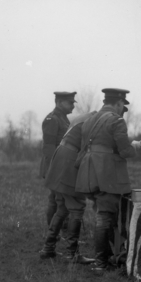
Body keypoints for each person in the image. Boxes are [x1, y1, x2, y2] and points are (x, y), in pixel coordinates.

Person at [75, 88, 137, 272]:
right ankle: (102, 263)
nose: (121, 110)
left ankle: (110, 256)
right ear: (118, 103)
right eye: (122, 106)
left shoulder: (89, 120)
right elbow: (125, 150)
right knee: (104, 217)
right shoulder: (116, 120)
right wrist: (135, 147)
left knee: (103, 213)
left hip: (89, 173)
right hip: (107, 174)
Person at [40, 112, 99, 263]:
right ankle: (72, 253)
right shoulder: (98, 120)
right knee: (77, 207)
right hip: (69, 159)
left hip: (61, 157)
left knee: (62, 208)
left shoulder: (89, 116)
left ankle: (48, 248)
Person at [41, 91, 76, 226]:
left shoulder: (63, 118)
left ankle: (59, 230)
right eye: (70, 103)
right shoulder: (52, 119)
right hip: (55, 165)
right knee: (55, 199)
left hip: (61, 165)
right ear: (59, 102)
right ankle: (53, 230)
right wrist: (52, 169)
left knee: (59, 199)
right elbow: (48, 147)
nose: (73, 106)